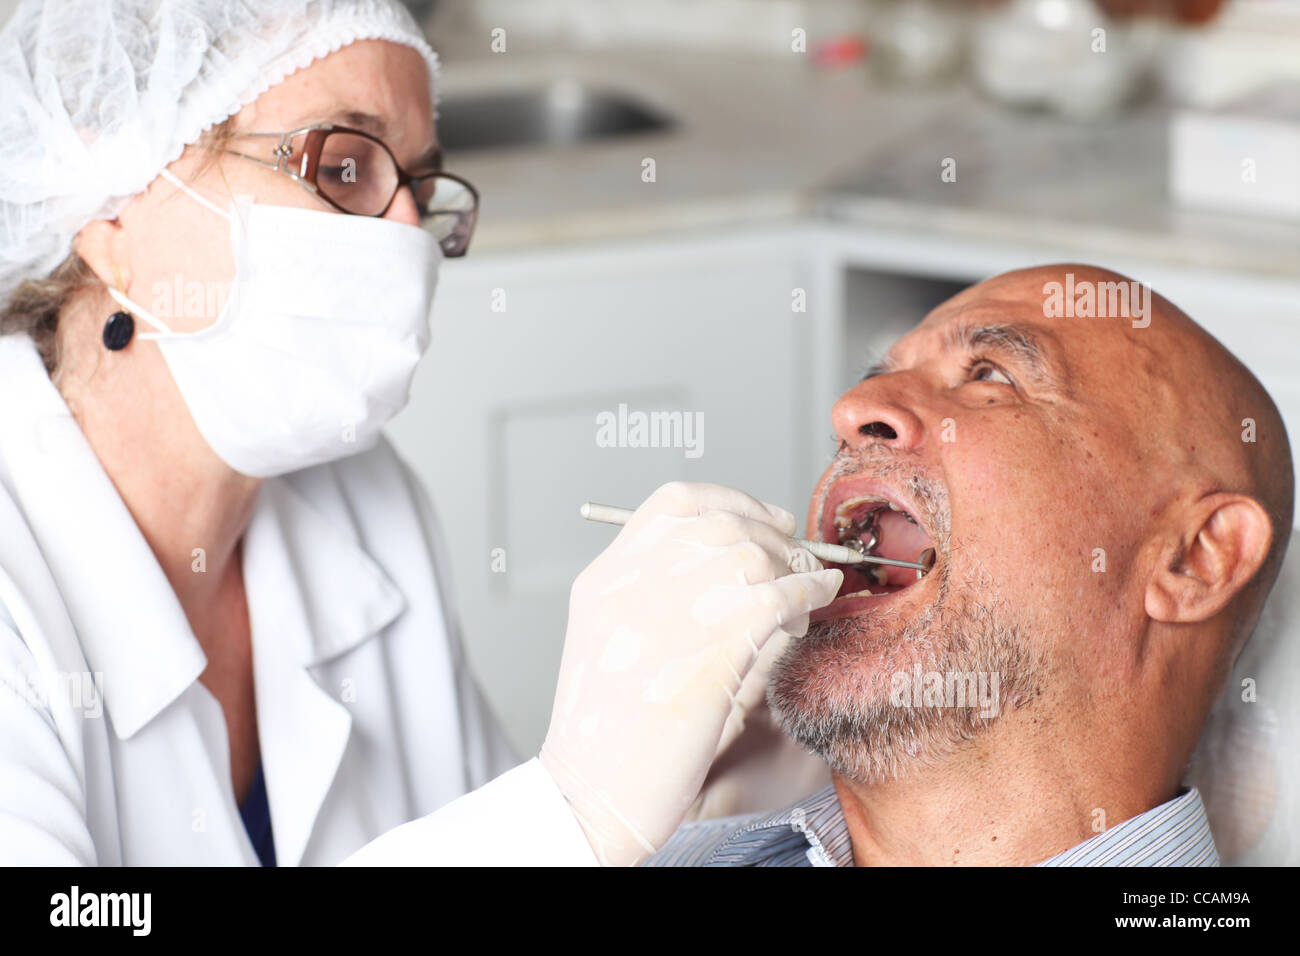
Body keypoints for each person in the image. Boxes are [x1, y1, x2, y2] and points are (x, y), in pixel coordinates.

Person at [0, 0, 841, 866]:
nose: (409, 237)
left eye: (421, 187)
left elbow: (475, 828)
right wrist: (575, 809)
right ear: (110, 209)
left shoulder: (365, 500)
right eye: (344, 164)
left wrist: (693, 782)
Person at [648, 264, 1294, 866]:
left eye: (990, 375)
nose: (852, 409)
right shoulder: (618, 834)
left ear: (1195, 558)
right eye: (878, 371)